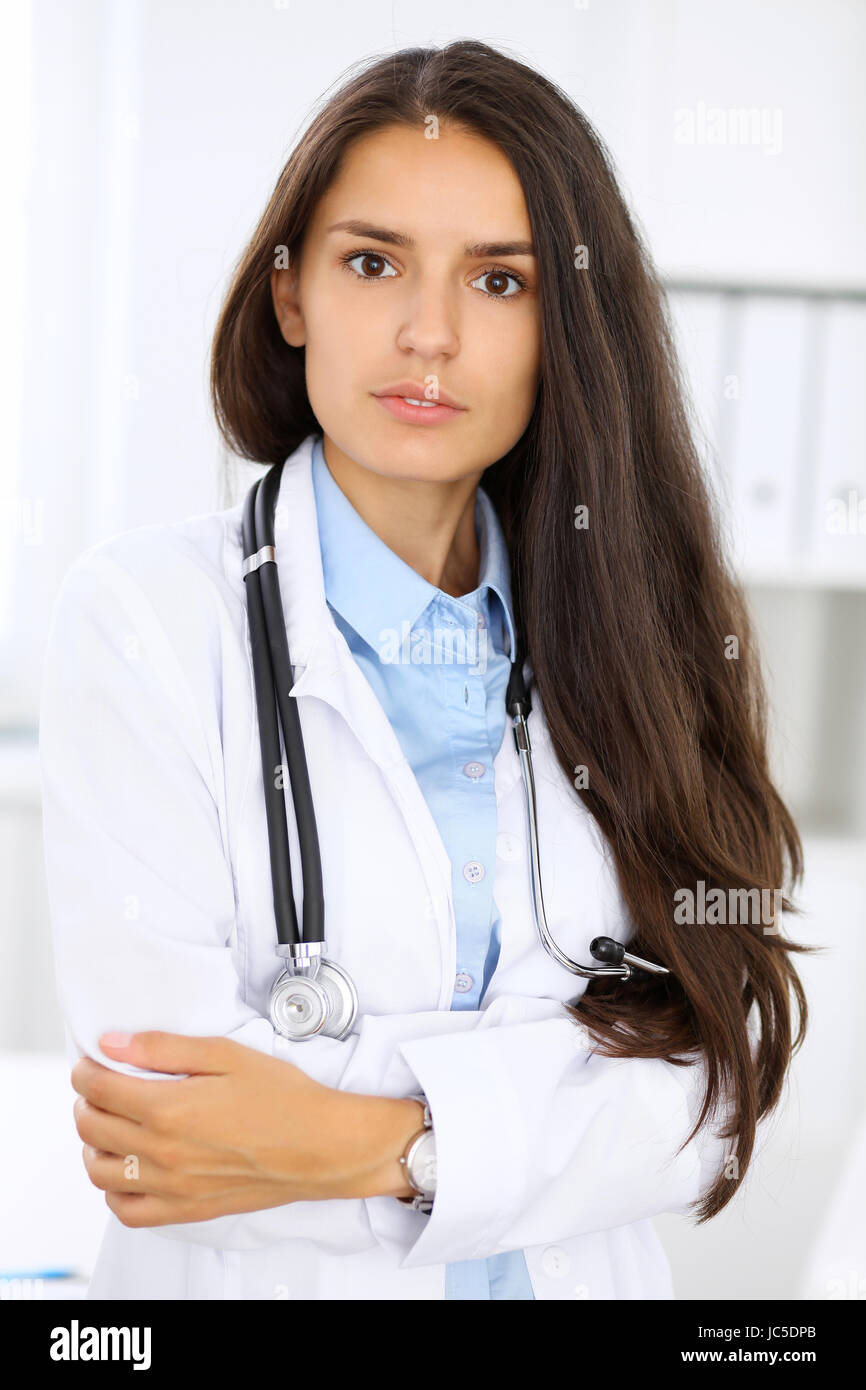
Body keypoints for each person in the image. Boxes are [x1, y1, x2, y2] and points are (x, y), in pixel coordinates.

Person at [38, 40, 811, 1301]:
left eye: (499, 281)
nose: (428, 334)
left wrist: (363, 1143)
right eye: (371, 261)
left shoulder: (647, 630)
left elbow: (717, 1092)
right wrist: (550, 1108)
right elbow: (167, 1123)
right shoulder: (143, 620)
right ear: (291, 296)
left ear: (567, 319)